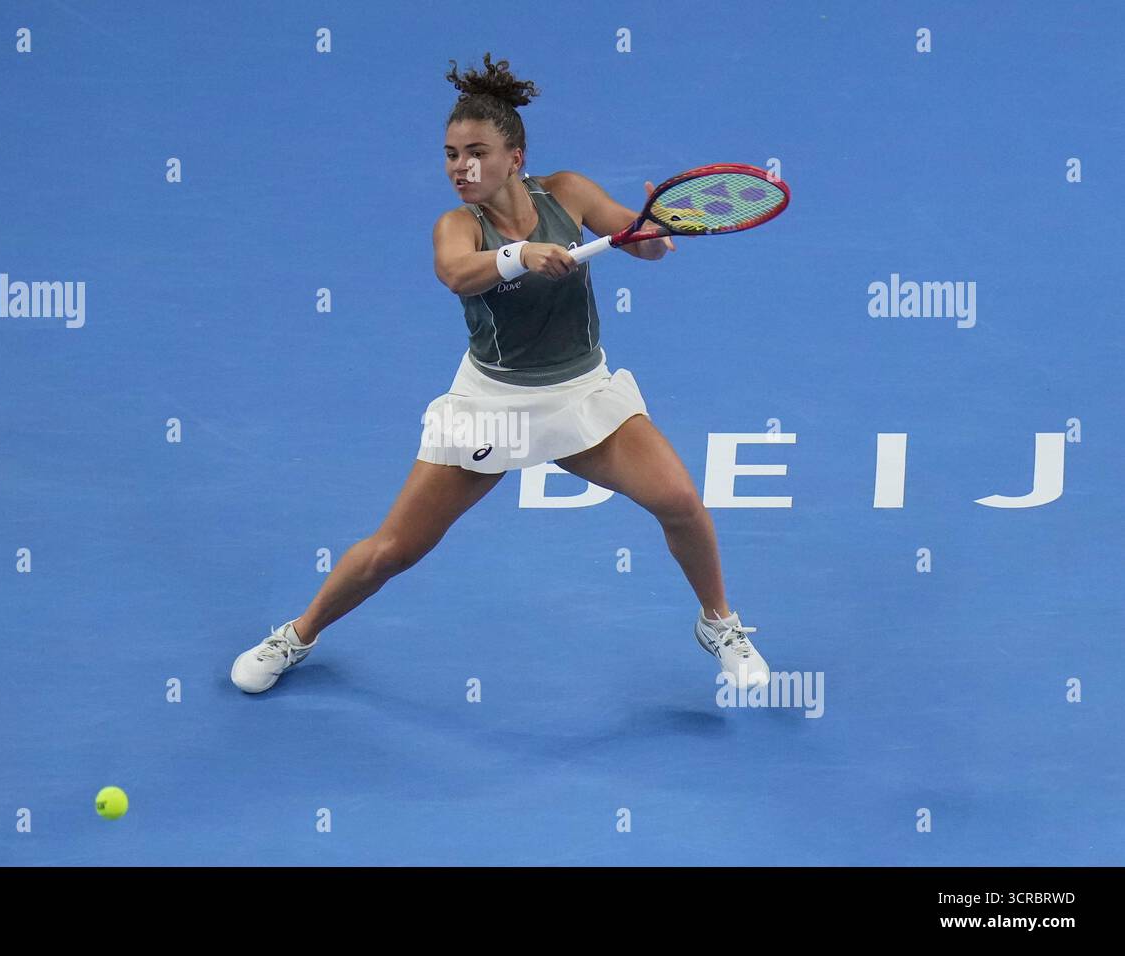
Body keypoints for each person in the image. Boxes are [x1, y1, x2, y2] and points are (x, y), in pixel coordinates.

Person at [232, 53, 769, 695]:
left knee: (680, 502)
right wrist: (520, 256)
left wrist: (652, 229)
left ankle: (720, 625)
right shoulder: (458, 226)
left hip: (581, 395)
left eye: (476, 152)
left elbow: (643, 242)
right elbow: (457, 273)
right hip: (491, 405)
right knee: (393, 550)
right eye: (451, 154)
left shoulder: (568, 192)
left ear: (515, 156)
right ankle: (297, 633)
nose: (461, 167)